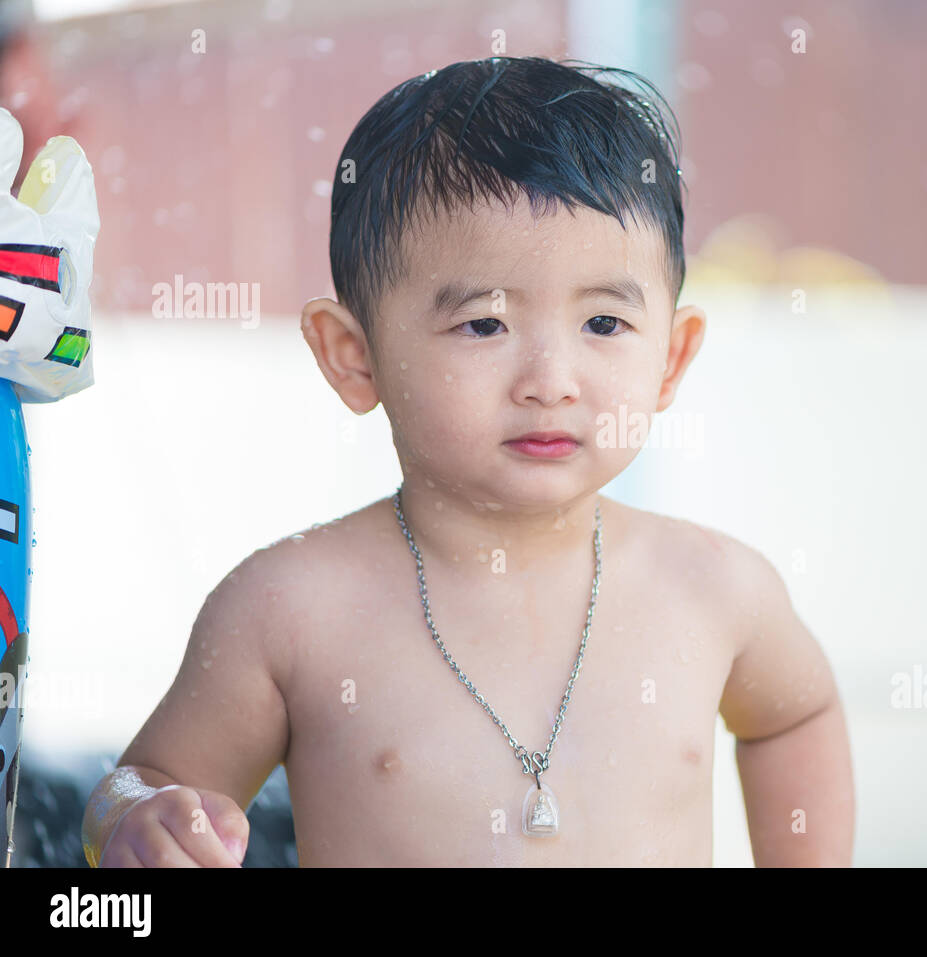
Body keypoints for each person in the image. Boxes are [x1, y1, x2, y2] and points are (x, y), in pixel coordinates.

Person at [80, 56, 854, 867]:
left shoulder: (716, 588)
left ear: (671, 357)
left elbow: (795, 714)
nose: (551, 382)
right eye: (484, 324)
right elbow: (142, 780)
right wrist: (139, 815)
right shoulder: (289, 611)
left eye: (603, 324)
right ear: (354, 357)